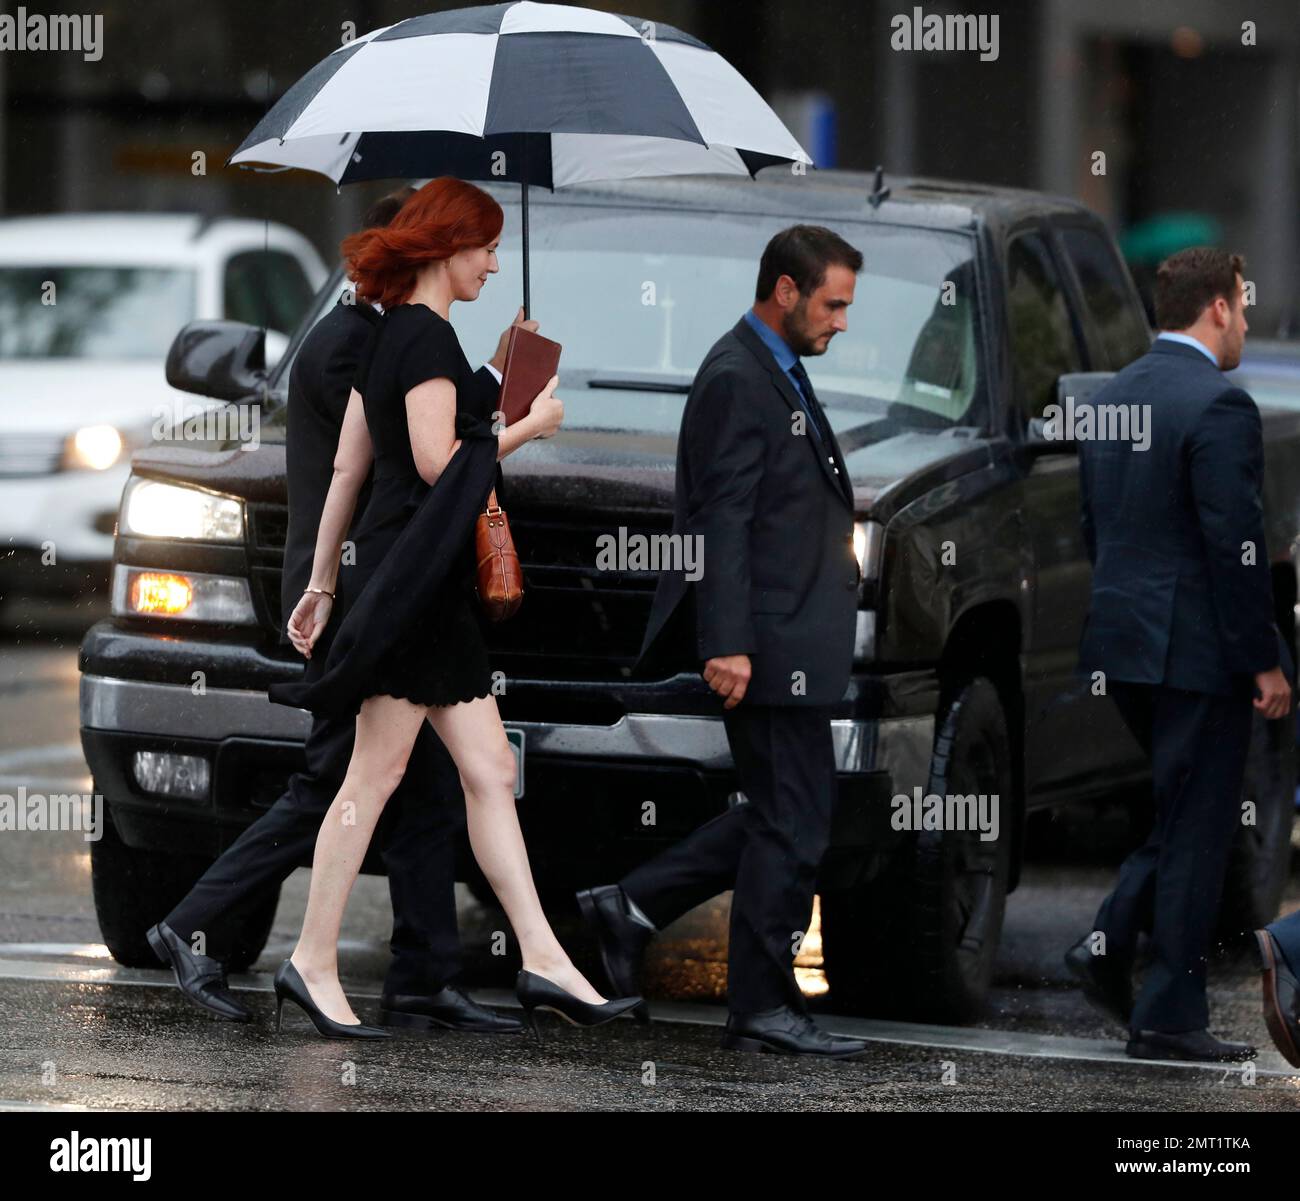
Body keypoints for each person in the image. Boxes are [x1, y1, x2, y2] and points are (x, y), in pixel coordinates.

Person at [266, 176, 642, 1040]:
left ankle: (543, 957)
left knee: (488, 773)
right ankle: (313, 960)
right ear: (444, 247)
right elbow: (442, 463)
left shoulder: (394, 338)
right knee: (376, 774)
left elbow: (349, 472)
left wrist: (324, 582)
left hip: (406, 582)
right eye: (485, 247)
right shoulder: (425, 340)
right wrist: (529, 426)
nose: (493, 262)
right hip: (415, 587)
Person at [147, 187, 523, 1036]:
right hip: (366, 590)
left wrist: (491, 372)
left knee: (421, 787)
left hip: (379, 590)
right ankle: (190, 924)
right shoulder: (370, 344)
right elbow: (412, 461)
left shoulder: (357, 335)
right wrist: (498, 393)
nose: (484, 266)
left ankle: (424, 974)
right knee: (335, 781)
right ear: (421, 252)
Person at [578, 225, 870, 1058]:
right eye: (833, 303)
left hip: (794, 639)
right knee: (791, 823)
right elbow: (724, 521)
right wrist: (729, 642)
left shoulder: (775, 370)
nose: (842, 321)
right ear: (785, 290)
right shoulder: (740, 377)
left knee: (789, 814)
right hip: (768, 644)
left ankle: (628, 905)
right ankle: (761, 1006)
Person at [1064, 246, 1293, 1063]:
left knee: (1184, 810)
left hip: (1123, 643)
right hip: (1196, 654)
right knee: (1196, 828)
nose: (1244, 317)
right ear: (1220, 307)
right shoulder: (1220, 405)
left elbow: (1096, 525)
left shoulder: (1114, 395)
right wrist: (1264, 657)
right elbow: (1235, 545)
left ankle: (1108, 944)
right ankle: (1165, 1015)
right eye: (1242, 299)